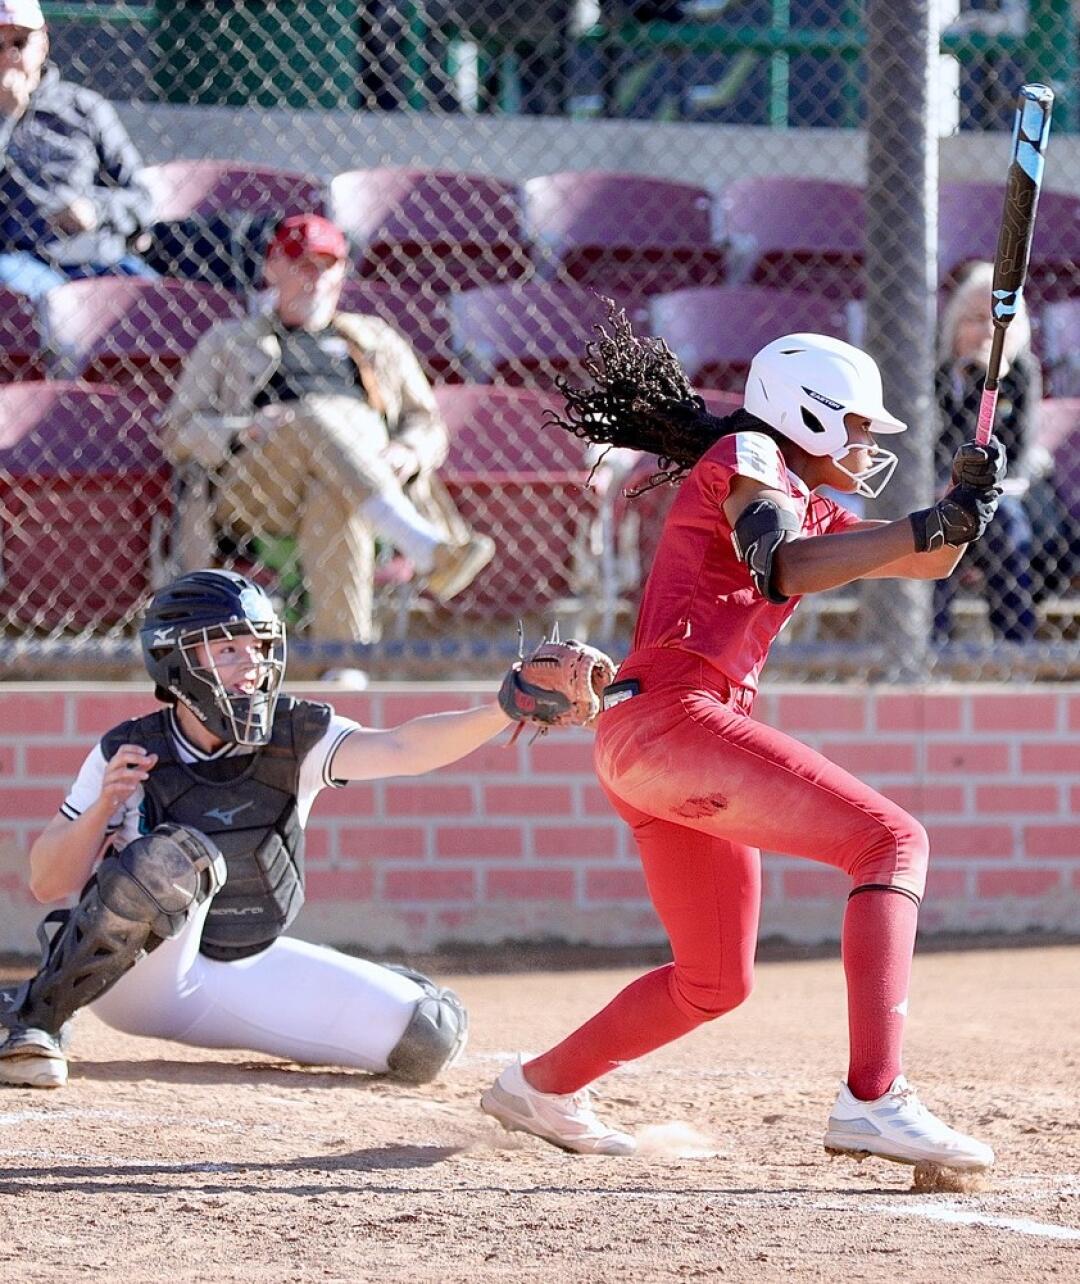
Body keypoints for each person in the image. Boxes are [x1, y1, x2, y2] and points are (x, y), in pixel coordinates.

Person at [480, 314, 1003, 1173]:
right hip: (678, 718)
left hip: (650, 738)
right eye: (859, 426)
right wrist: (927, 524)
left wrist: (965, 511)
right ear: (807, 415)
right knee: (891, 841)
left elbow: (920, 563)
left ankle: (538, 1087)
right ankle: (875, 1098)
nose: (869, 445)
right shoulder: (752, 462)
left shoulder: (798, 491)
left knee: (714, 980)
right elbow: (781, 565)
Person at [0, 568, 515, 1090]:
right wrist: (103, 807)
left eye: (259, 646)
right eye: (227, 650)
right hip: (138, 980)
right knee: (176, 857)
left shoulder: (297, 732)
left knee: (427, 1035)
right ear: (176, 659)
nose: (251, 665)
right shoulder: (130, 749)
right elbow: (47, 881)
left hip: (245, 965)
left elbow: (406, 748)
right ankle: (35, 1019)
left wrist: (503, 708)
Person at [161, 213, 495, 671]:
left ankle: (344, 667)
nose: (314, 278)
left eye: (326, 265)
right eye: (301, 264)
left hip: (352, 484)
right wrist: (244, 429)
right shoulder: (228, 341)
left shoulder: (374, 339)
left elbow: (426, 423)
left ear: (342, 271)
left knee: (331, 496)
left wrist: (408, 451)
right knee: (316, 414)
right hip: (256, 491)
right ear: (272, 267)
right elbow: (178, 430)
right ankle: (421, 542)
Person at [0, 0, 156, 302]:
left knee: (165, 306)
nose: (10, 56)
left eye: (20, 41)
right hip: (18, 262)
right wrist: (7, 118)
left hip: (95, 256)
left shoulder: (85, 108)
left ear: (43, 42)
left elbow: (143, 198)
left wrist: (94, 210)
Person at [934, 260, 1041, 643]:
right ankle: (931, 645)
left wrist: (991, 384)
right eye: (975, 319)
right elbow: (938, 447)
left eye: (999, 323)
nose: (986, 332)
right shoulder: (939, 377)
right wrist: (970, 384)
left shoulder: (1024, 375)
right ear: (955, 326)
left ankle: (1016, 646)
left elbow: (1018, 452)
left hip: (1002, 498)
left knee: (1008, 527)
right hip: (942, 495)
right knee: (933, 525)